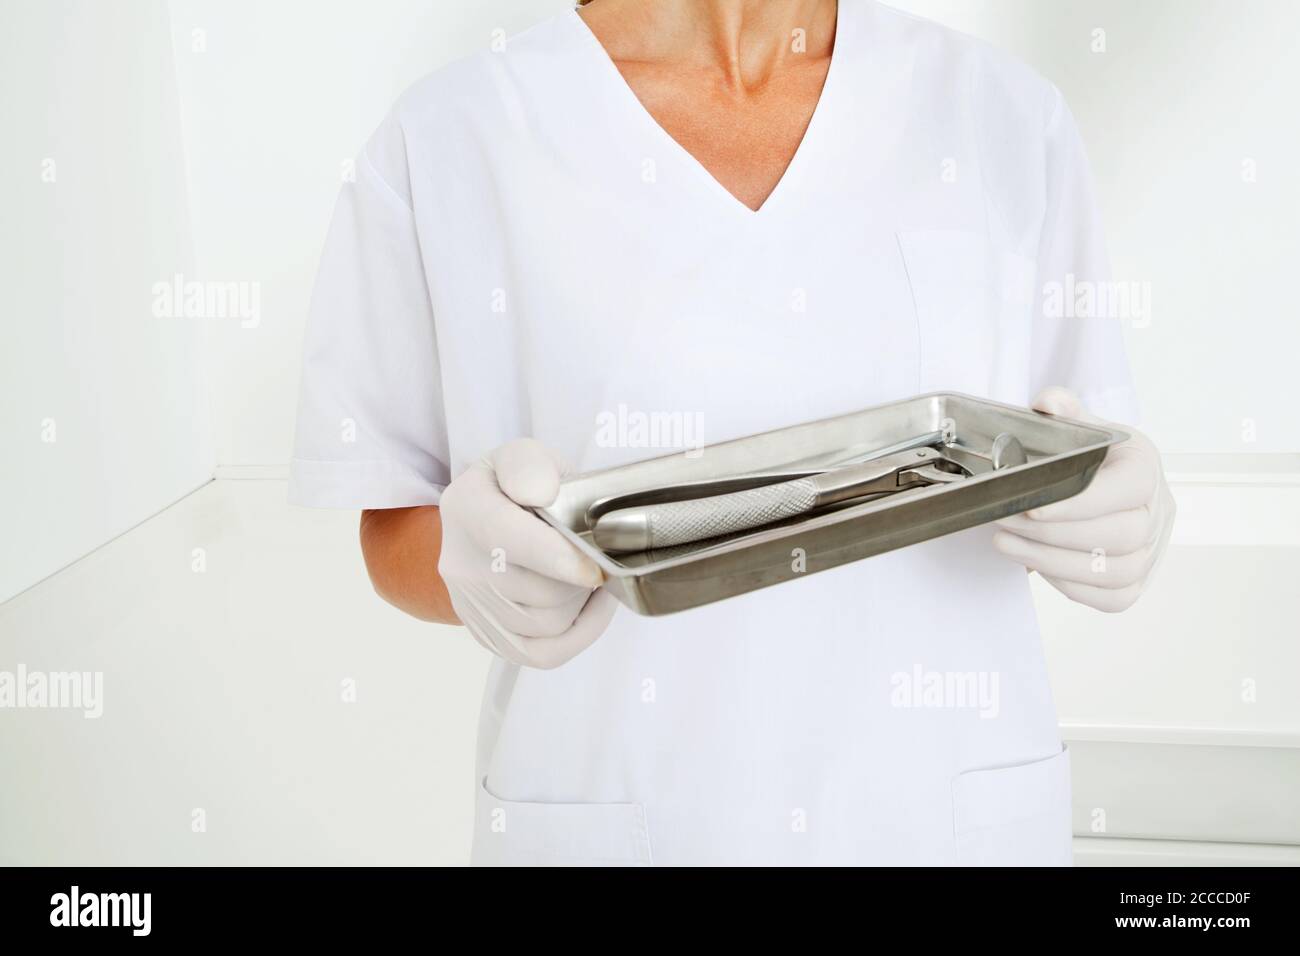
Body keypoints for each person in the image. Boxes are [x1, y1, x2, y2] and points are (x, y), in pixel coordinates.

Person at [289, 0, 1176, 865]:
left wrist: (1122, 511)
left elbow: (1087, 438)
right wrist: (476, 565)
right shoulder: (451, 138)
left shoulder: (1004, 116)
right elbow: (389, 520)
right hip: (619, 806)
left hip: (942, 814)